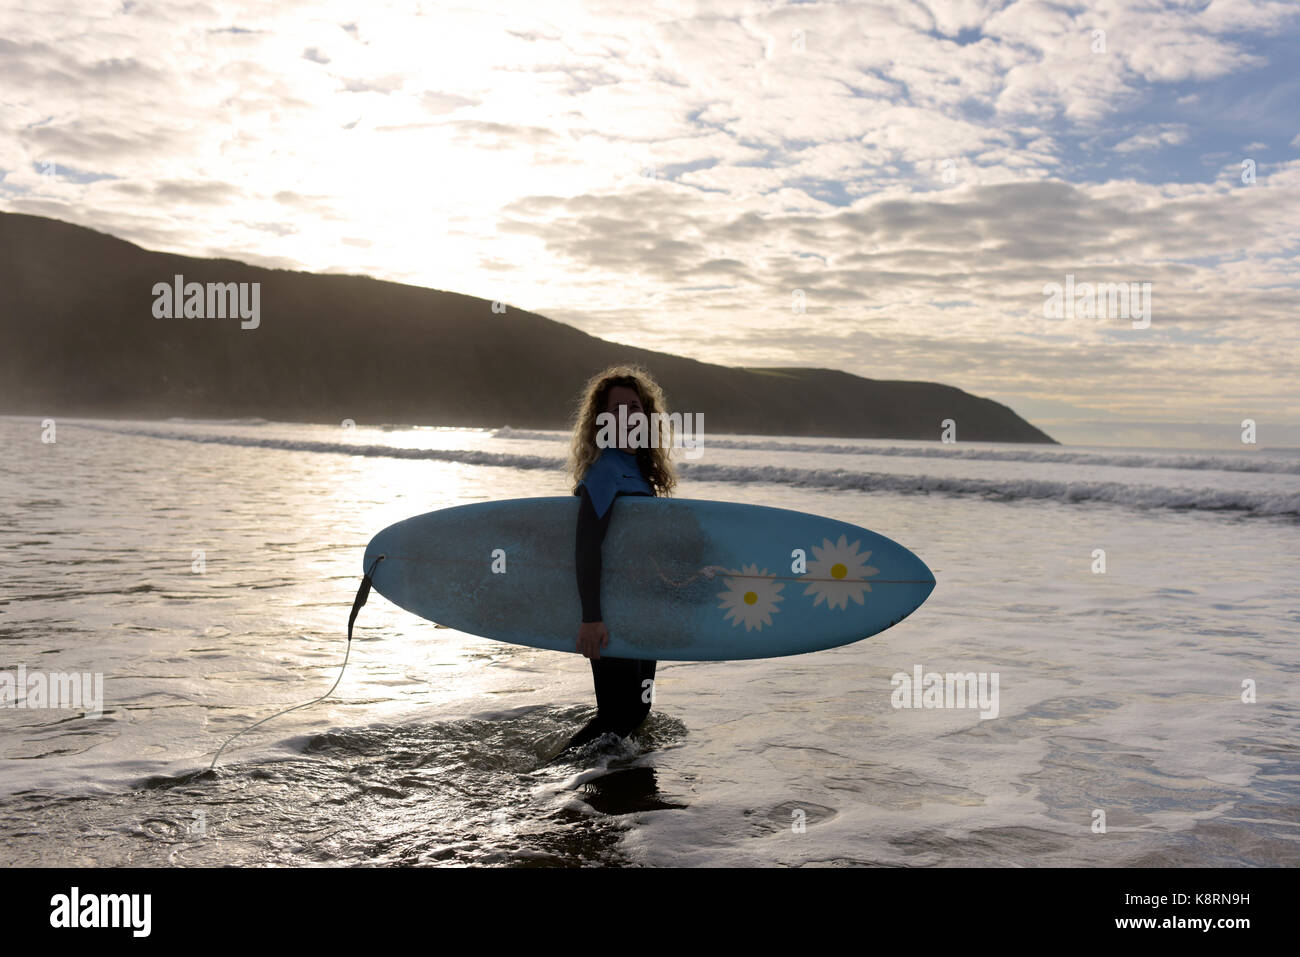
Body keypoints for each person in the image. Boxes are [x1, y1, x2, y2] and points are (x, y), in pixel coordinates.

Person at [561, 365, 678, 752]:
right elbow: (587, 545)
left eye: (636, 406)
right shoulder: (605, 471)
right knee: (618, 714)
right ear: (603, 419)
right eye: (619, 408)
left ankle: (602, 781)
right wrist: (591, 618)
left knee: (638, 711)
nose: (630, 415)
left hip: (642, 608)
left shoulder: (642, 473)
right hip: (611, 609)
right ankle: (545, 778)